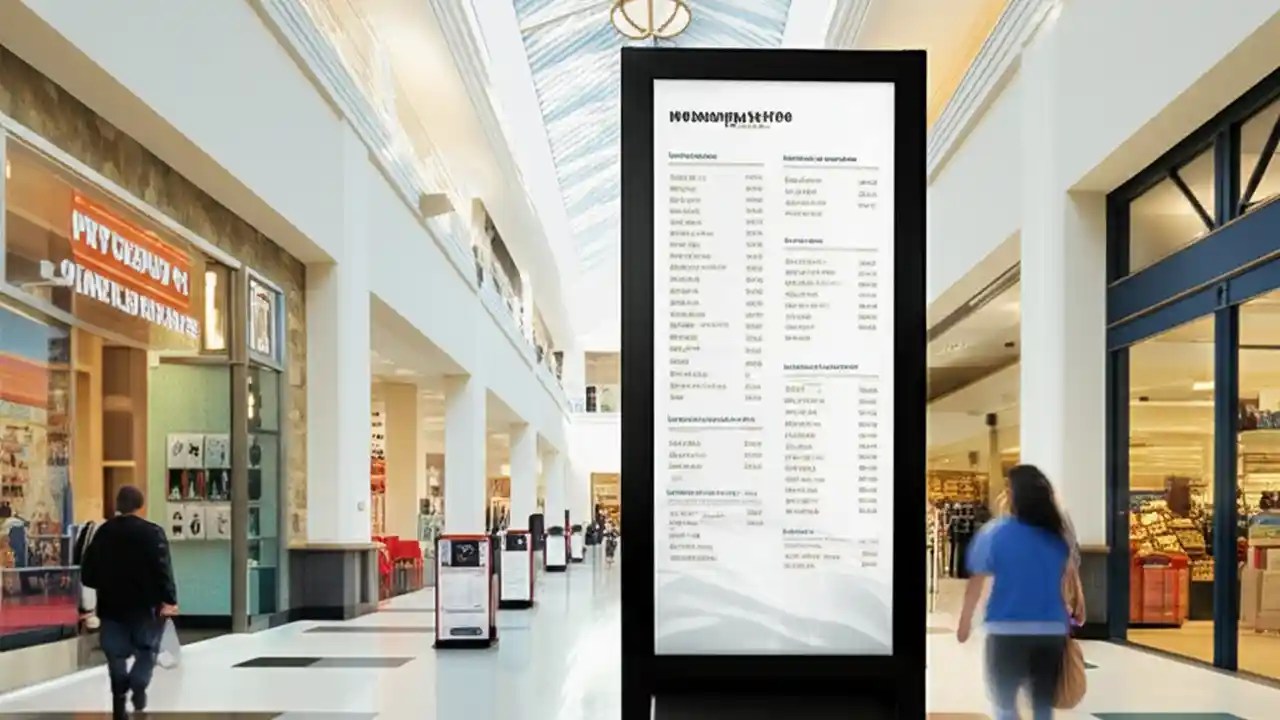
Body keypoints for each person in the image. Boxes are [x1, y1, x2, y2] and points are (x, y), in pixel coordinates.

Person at [957, 465, 1084, 720]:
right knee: (1042, 704)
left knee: (1004, 701)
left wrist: (965, 622)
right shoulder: (1057, 535)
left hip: (1007, 627)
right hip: (1051, 628)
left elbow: (976, 582)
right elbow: (1069, 575)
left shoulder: (995, 532)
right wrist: (1078, 604)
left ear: (1013, 495)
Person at [81, 486, 179, 719]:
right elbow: (163, 568)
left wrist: (100, 584)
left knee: (115, 653)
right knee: (146, 648)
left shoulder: (104, 532)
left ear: (118, 505)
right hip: (145, 605)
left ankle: (119, 693)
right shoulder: (152, 533)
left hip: (111, 605)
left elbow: (88, 571)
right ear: (140, 506)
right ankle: (139, 682)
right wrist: (169, 598)